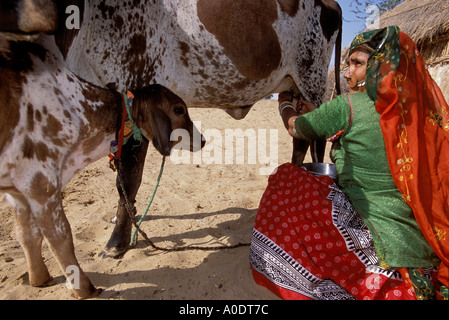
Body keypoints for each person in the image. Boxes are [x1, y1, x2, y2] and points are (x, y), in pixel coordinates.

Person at [249, 26, 449, 300]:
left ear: (381, 65)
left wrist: (284, 104)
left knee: (286, 177)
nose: (347, 72)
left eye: (357, 64)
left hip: (372, 225)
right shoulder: (414, 112)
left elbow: (296, 128)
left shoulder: (346, 106)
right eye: (347, 64)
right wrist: (321, 113)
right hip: (414, 228)